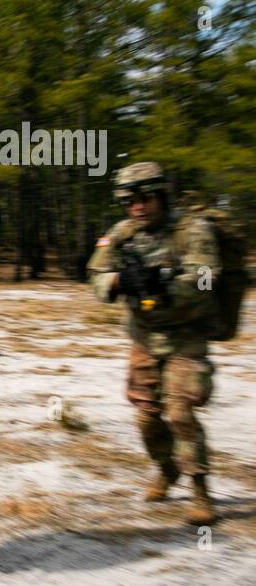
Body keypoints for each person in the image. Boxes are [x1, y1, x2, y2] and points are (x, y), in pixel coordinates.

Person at [86, 161, 221, 526]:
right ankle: (166, 469)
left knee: (179, 413)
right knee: (146, 418)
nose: (138, 207)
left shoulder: (193, 229)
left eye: (145, 198)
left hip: (186, 337)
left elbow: (207, 277)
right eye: (129, 201)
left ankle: (200, 490)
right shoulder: (121, 234)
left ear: (161, 195)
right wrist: (120, 282)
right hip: (144, 338)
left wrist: (163, 284)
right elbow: (96, 275)